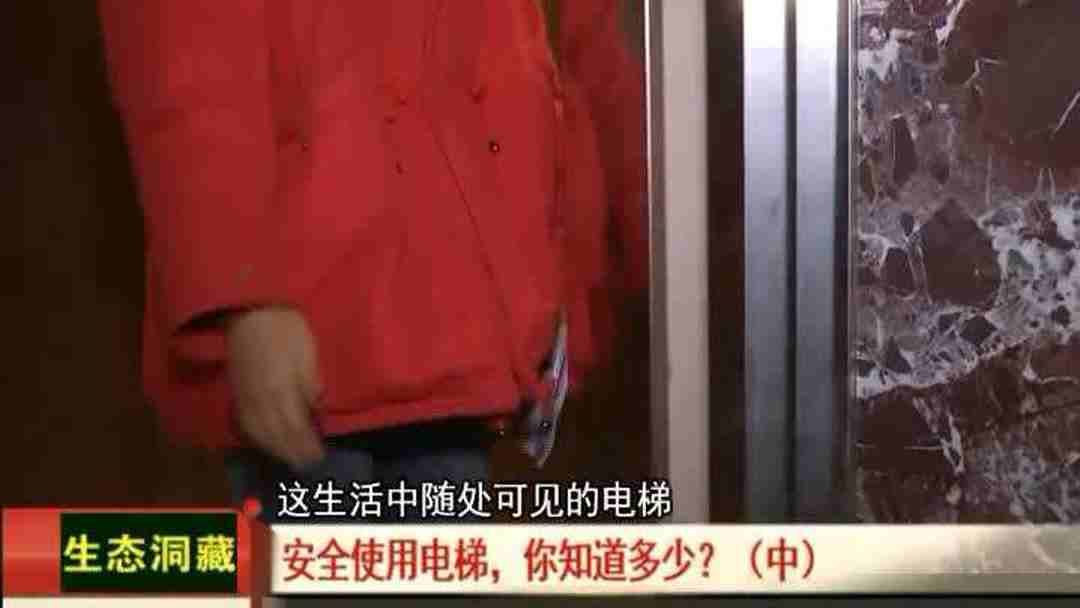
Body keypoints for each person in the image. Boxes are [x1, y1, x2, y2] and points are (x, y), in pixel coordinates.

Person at [98, 0, 647, 521]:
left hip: (452, 346)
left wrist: (546, 293)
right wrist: (244, 300)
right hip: (313, 339)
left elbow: (520, 72)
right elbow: (188, 71)